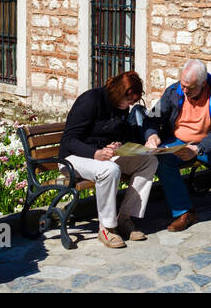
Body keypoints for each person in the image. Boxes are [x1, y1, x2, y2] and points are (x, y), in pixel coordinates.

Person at [60, 70, 160, 248]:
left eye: (133, 102)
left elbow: (120, 133)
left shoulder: (120, 107)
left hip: (103, 158)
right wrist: (94, 153)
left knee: (150, 161)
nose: (130, 105)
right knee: (110, 170)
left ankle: (124, 219)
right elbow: (69, 140)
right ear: (118, 92)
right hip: (73, 158)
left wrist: (118, 145)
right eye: (128, 101)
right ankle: (106, 228)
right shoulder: (90, 101)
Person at [146, 59, 211, 233]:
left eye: (190, 88)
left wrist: (198, 149)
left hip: (207, 143)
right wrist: (152, 135)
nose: (184, 90)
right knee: (161, 158)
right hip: (177, 141)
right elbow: (152, 117)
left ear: (202, 83)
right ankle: (184, 212)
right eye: (183, 85)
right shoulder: (173, 91)